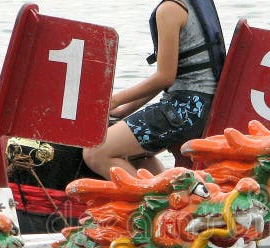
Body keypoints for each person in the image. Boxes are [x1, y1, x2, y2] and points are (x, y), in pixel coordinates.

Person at [82, 0, 225, 178]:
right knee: (132, 153)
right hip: (200, 109)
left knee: (96, 152)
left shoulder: (169, 9)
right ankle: (170, 193)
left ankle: (155, 203)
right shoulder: (191, 5)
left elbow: (165, 77)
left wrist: (112, 100)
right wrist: (123, 110)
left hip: (185, 111)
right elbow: (166, 78)